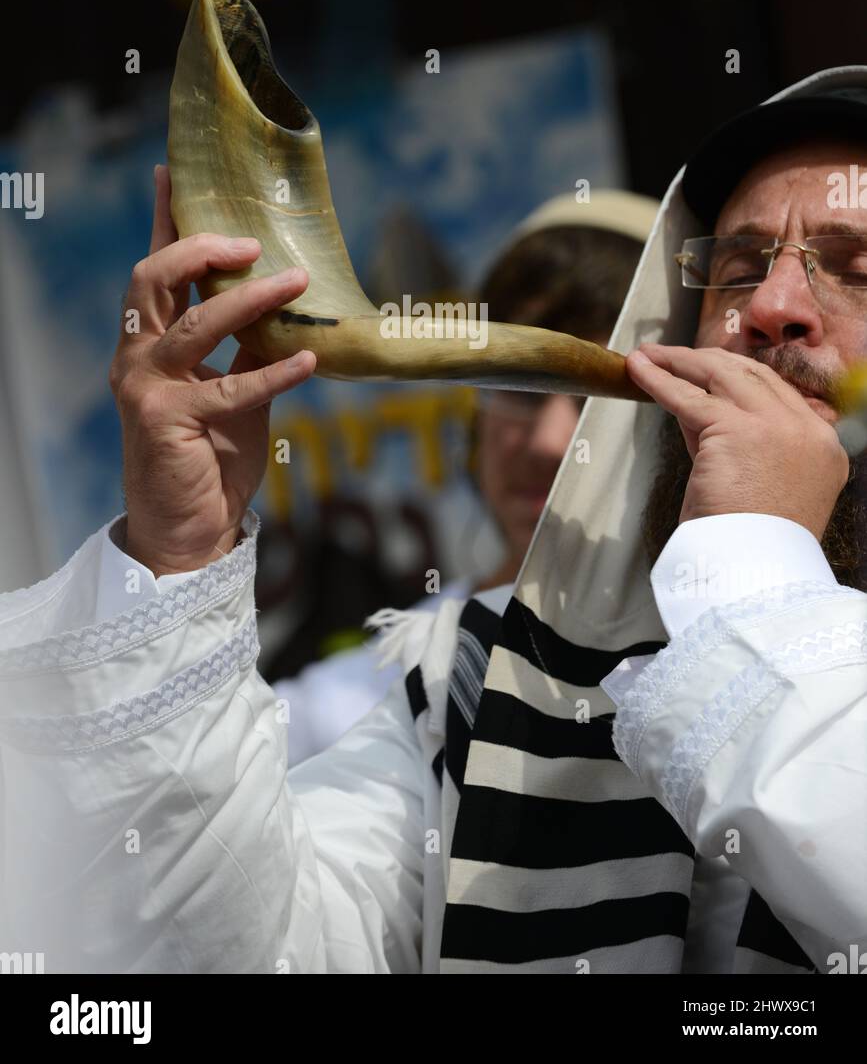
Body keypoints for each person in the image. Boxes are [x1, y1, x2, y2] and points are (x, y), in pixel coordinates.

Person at [1, 67, 866, 975]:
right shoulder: (482, 684)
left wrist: (752, 575)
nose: (768, 308)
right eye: (734, 268)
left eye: (852, 269)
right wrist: (179, 554)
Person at [271, 190, 658, 765]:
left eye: (597, 397)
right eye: (518, 385)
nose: (549, 441)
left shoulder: (727, 656)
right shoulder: (352, 703)